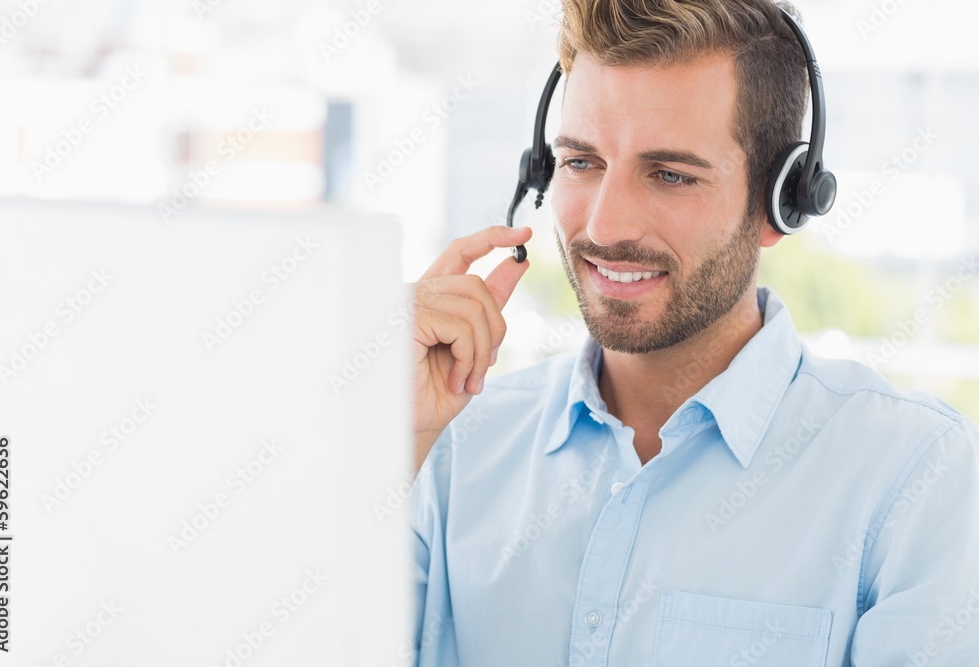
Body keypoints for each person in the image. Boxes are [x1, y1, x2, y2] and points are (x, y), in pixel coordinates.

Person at [408, 0, 979, 664]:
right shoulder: (445, 450)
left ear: (780, 202)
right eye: (582, 162)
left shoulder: (914, 478)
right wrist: (387, 438)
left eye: (671, 174)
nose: (606, 223)